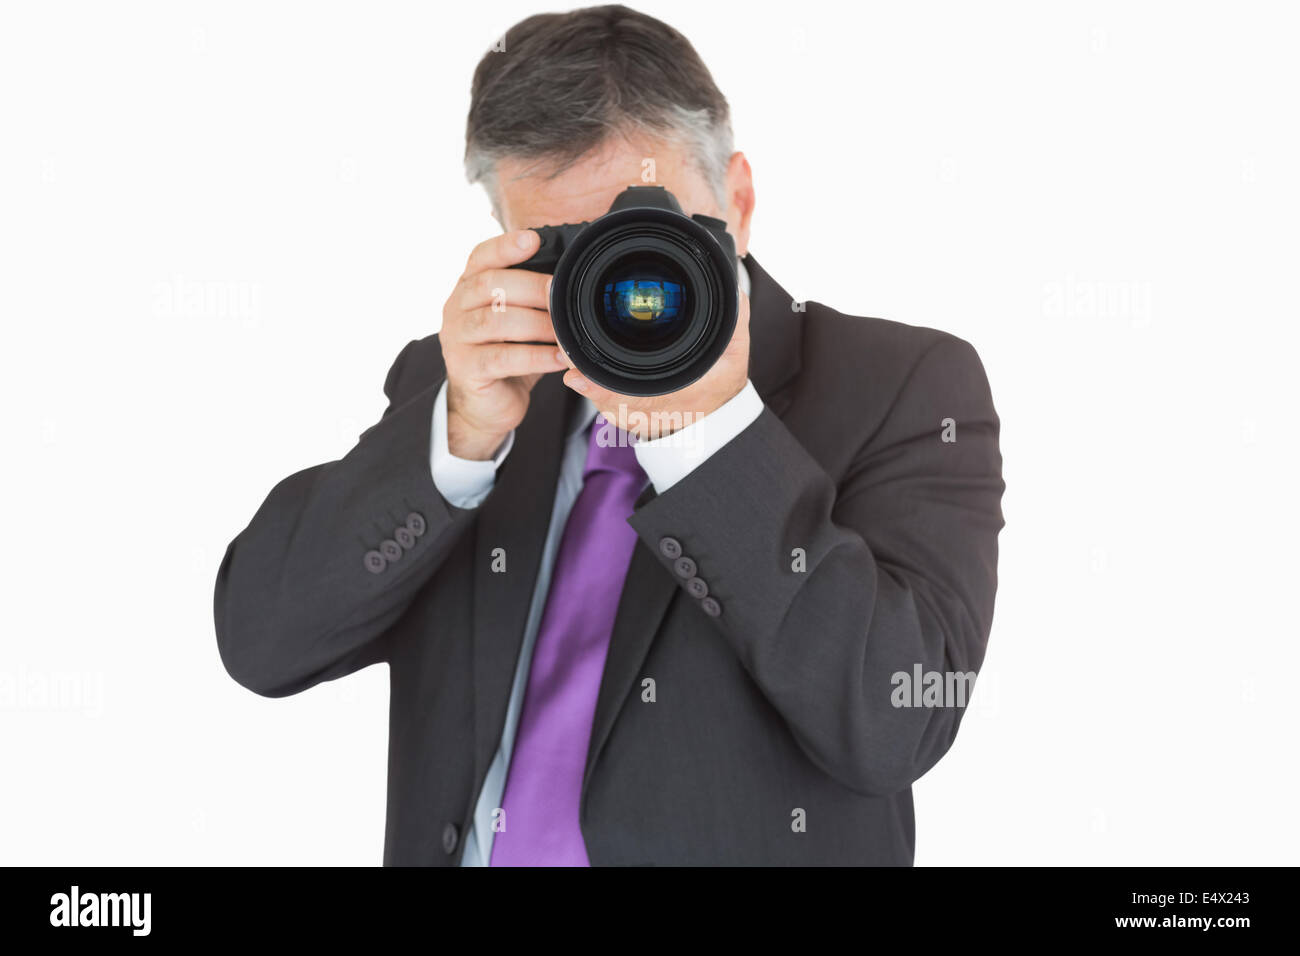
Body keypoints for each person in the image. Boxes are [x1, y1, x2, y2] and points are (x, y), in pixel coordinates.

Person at [213, 4, 1005, 866]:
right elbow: (262, 646)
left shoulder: (902, 384)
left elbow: (897, 721)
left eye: (652, 236)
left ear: (736, 203)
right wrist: (458, 442)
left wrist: (704, 431)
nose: (622, 283)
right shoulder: (462, 383)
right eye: (567, 248)